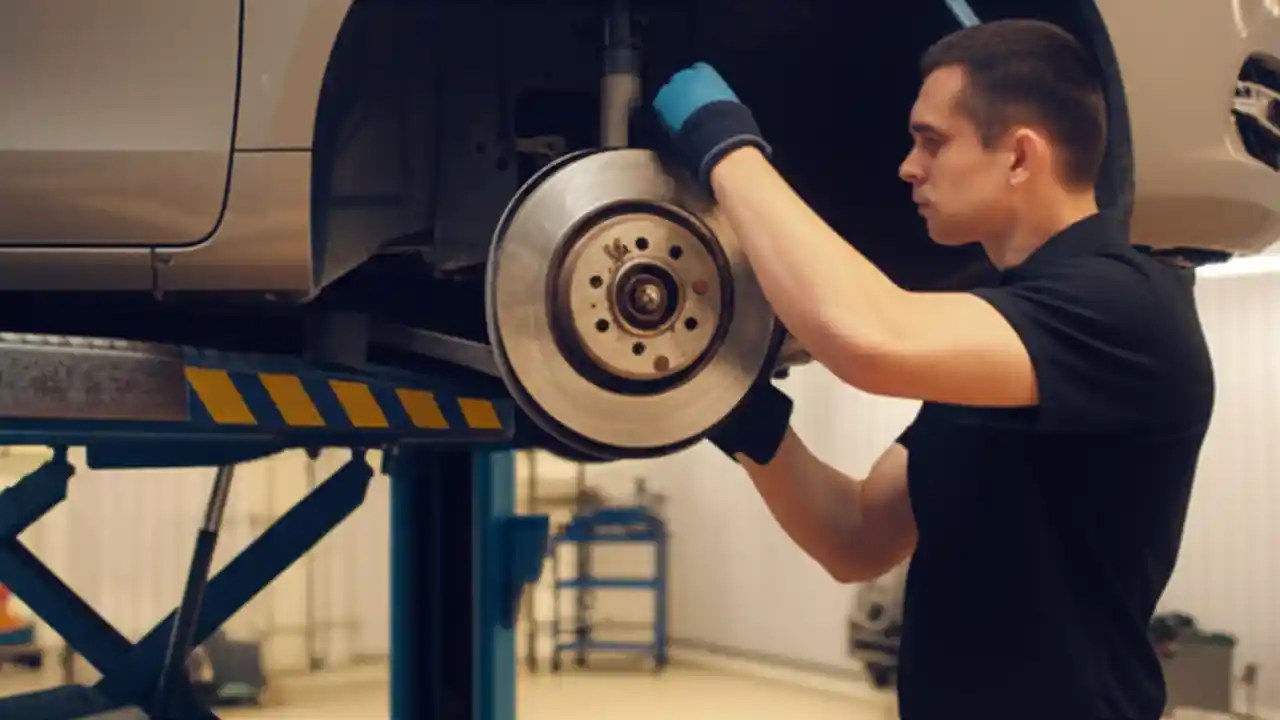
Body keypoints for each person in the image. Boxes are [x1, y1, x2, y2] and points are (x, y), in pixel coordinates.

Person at [650, 18, 1216, 720]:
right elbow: (856, 535)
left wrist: (724, 142)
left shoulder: (1128, 308)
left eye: (932, 141)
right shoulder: (1004, 341)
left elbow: (869, 336)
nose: (908, 166)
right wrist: (736, 403)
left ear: (1018, 157)